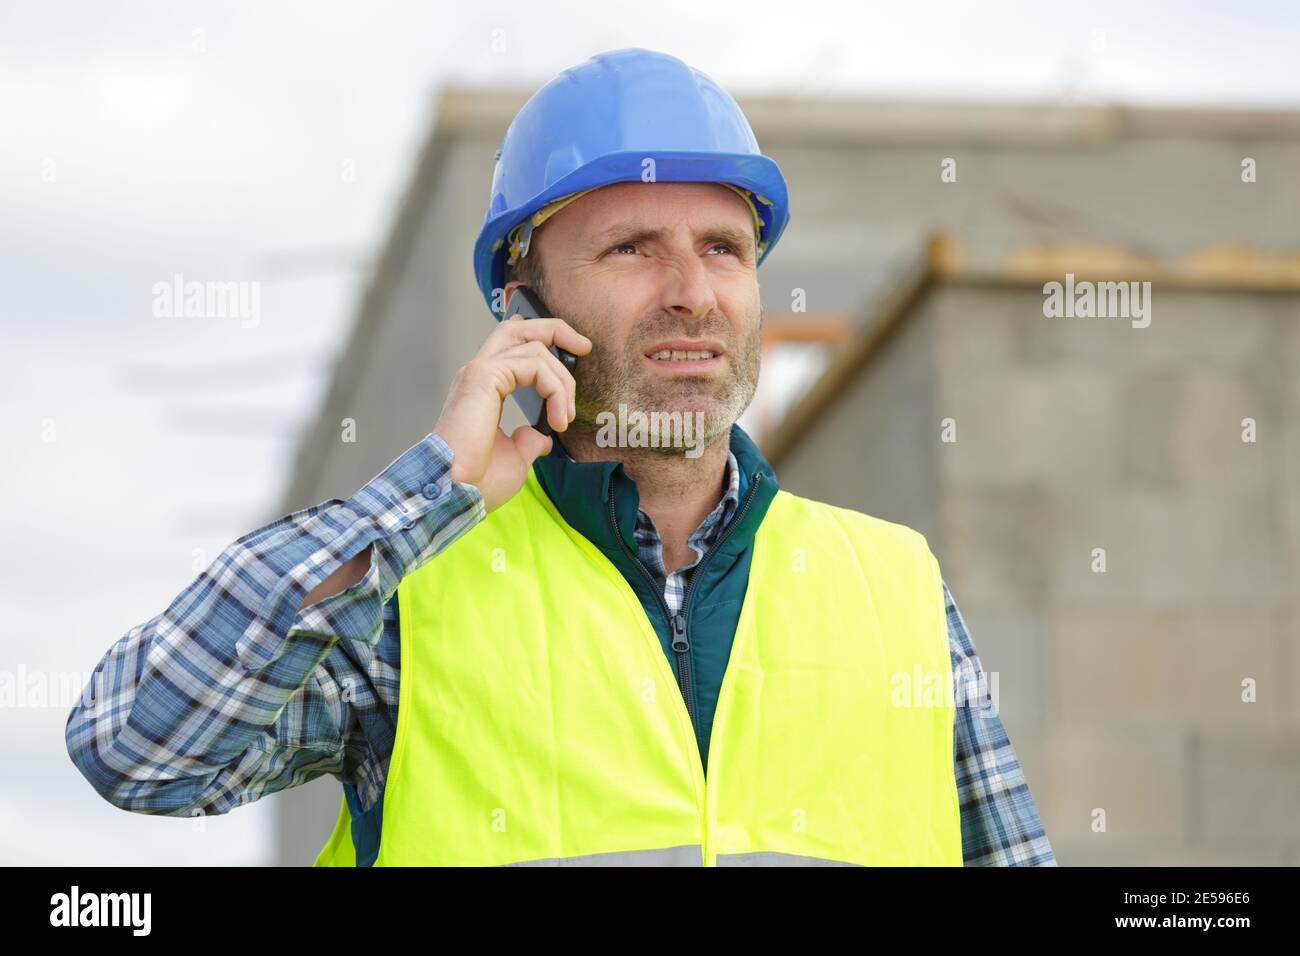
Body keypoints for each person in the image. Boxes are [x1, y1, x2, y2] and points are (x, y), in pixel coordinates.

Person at [66, 48, 1055, 867]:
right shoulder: (410, 593)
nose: (692, 293)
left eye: (722, 247)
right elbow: (139, 747)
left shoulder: (896, 586)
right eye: (631, 248)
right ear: (524, 304)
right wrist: (428, 493)